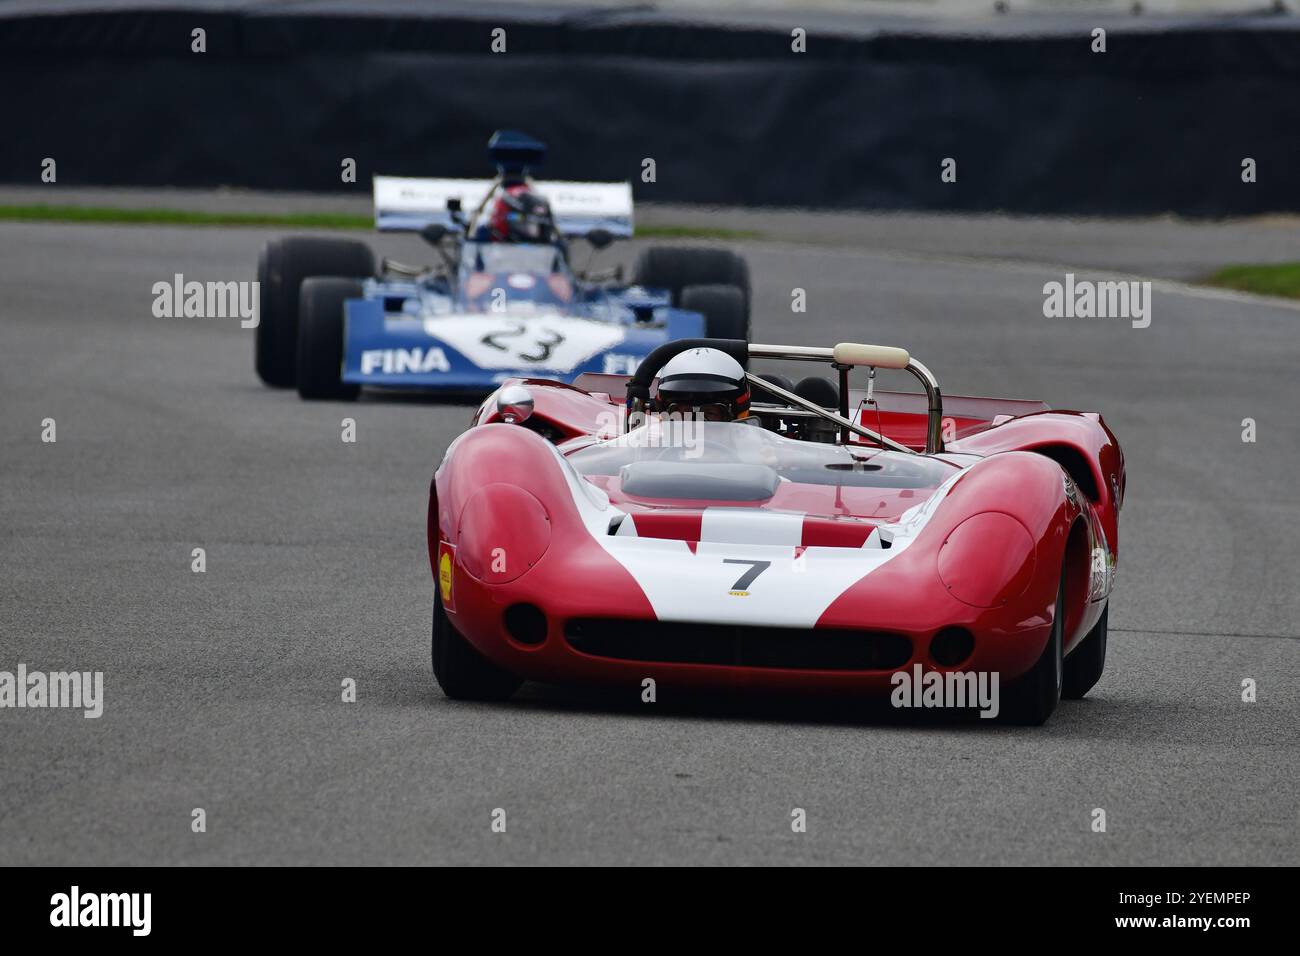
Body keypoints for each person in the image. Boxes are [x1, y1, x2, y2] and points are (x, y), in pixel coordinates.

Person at [654, 348, 751, 423]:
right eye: (684, 414)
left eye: (709, 414)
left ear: (733, 416)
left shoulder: (755, 447)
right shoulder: (653, 443)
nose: (696, 424)